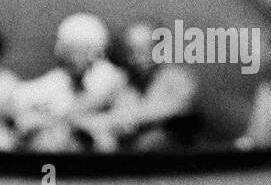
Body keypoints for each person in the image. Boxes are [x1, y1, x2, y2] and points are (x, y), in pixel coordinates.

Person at [10, 13, 129, 151]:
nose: (75, 56)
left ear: (98, 51)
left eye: (84, 49)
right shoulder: (57, 79)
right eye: (69, 48)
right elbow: (18, 103)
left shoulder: (111, 76)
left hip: (100, 153)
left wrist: (82, 121)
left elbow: (109, 109)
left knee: (103, 140)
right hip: (59, 153)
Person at [75, 22, 201, 150]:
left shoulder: (179, 77)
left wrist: (108, 122)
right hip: (127, 150)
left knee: (153, 138)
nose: (137, 58)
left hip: (172, 149)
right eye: (131, 51)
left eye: (145, 50)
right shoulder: (121, 80)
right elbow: (80, 111)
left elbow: (170, 110)